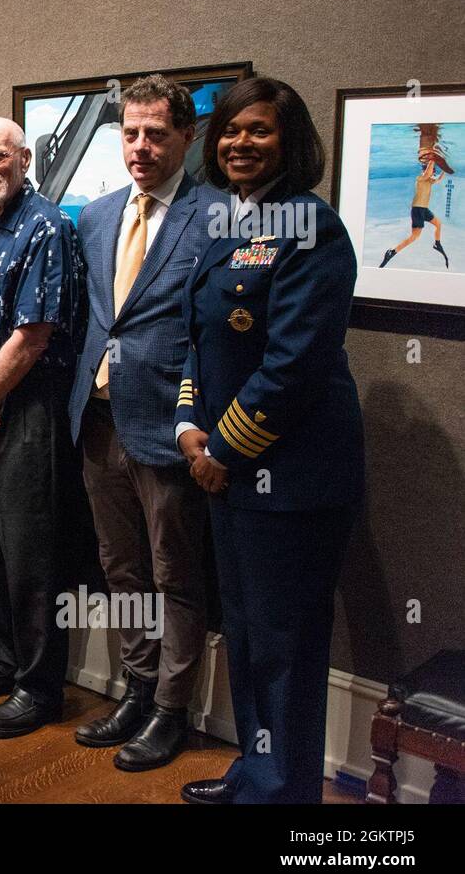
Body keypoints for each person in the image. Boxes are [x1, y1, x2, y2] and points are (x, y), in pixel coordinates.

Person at [176, 77, 364, 805]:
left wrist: (221, 451)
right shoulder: (231, 222)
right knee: (250, 637)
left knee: (286, 646)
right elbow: (201, 341)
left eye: (258, 131)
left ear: (290, 143)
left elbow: (293, 367)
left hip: (290, 476)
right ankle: (256, 773)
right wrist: (191, 429)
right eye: (229, 131)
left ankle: (284, 794)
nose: (240, 144)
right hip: (225, 468)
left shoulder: (311, 227)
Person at [67, 75, 213, 770]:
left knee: (174, 574)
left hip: (167, 426)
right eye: (130, 132)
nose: (142, 146)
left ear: (187, 135)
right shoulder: (95, 216)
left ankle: (171, 711)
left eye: (157, 133)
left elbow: (217, 334)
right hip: (96, 421)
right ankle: (136, 686)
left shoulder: (215, 215)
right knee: (121, 569)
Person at [0, 117, 87, 738]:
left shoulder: (47, 227)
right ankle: (0, 659)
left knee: (31, 554)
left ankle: (38, 686)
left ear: (25, 158)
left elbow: (33, 336)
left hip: (28, 408)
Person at [379, 159, 448, 268]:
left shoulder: (430, 181)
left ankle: (437, 244)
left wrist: (445, 170)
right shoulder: (420, 178)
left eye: (433, 173)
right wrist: (433, 159)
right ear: (426, 171)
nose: (432, 174)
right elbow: (428, 173)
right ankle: (392, 252)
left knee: (438, 224)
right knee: (414, 237)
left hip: (424, 210)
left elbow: (438, 179)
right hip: (417, 210)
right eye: (431, 172)